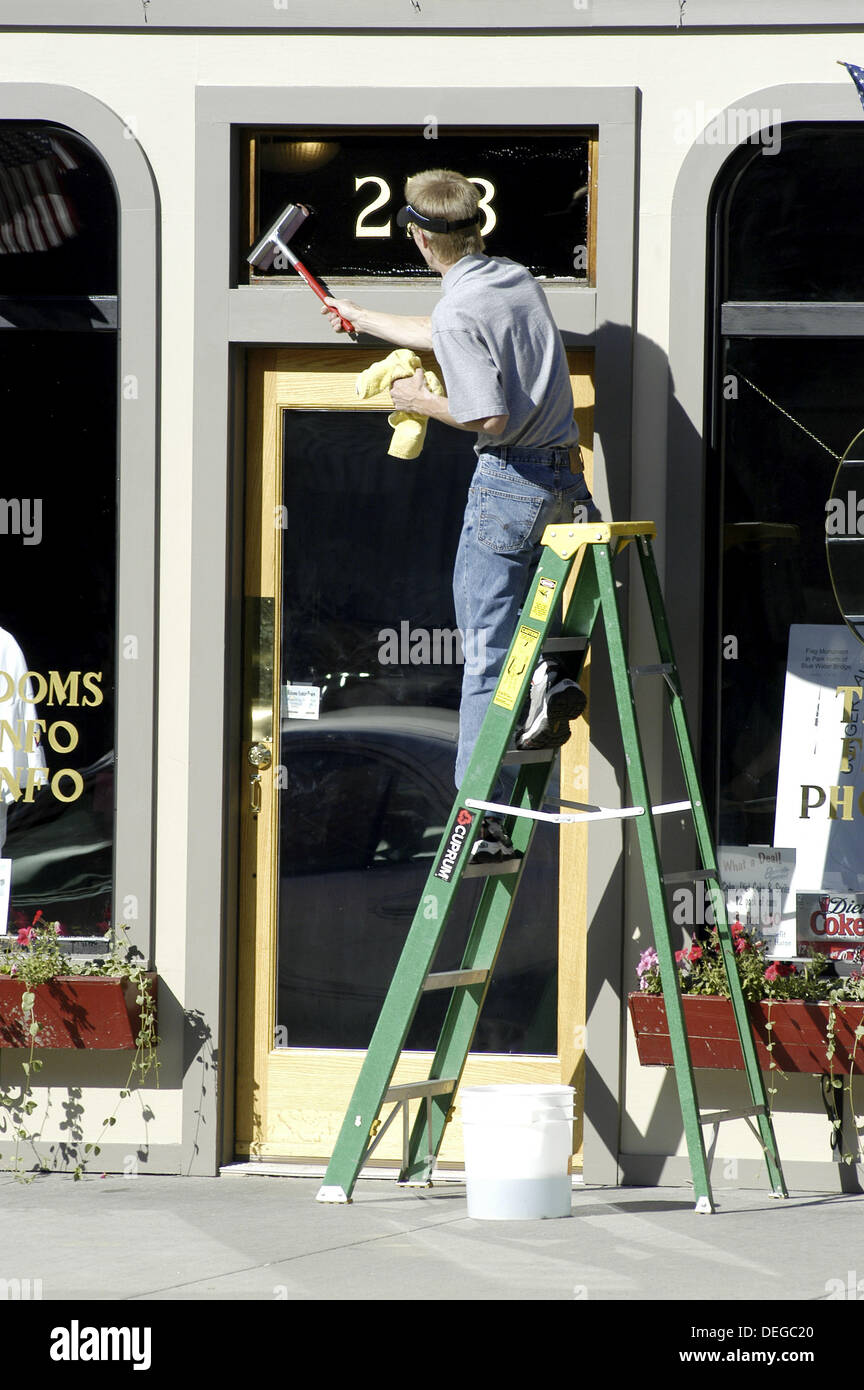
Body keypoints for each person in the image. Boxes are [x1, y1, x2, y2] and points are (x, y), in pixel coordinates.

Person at [323, 168, 599, 859]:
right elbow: (446, 327)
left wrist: (418, 401)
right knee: (523, 632)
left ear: (418, 238)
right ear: (476, 228)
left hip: (507, 486)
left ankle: (480, 826)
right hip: (565, 487)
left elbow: (487, 413)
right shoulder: (514, 280)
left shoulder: (458, 310)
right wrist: (363, 318)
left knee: (483, 656)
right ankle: (547, 680)